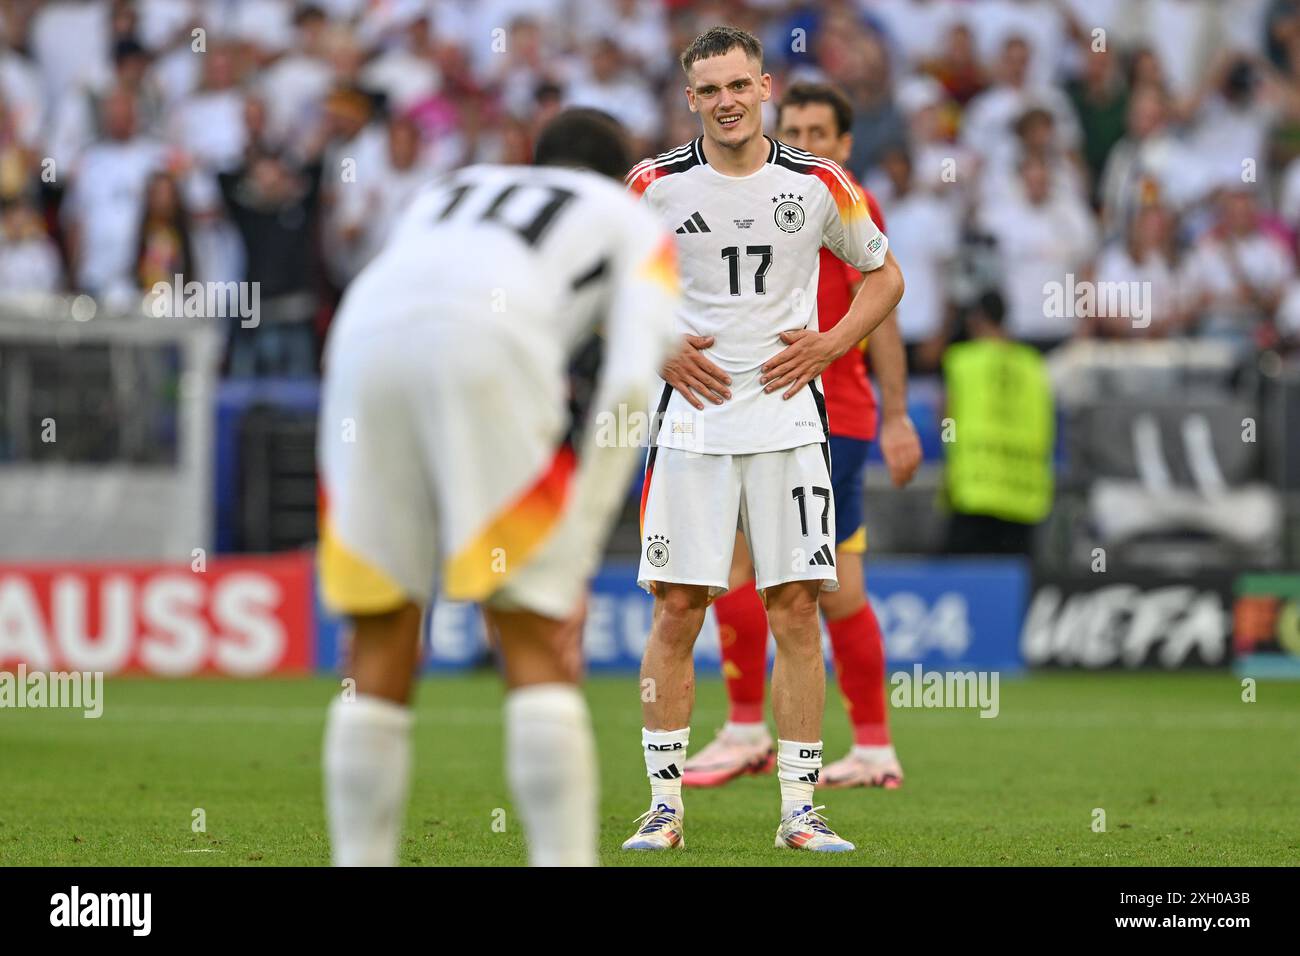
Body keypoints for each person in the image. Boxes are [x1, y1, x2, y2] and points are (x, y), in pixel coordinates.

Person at [317, 108, 678, 867]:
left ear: (531, 157)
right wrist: (577, 542)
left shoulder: (450, 187)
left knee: (380, 629)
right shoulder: (630, 219)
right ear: (621, 177)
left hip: (359, 342)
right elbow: (629, 386)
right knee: (531, 629)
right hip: (492, 344)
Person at [622, 27, 903, 853]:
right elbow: (599, 282)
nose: (726, 102)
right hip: (692, 423)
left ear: (765, 86)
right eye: (709, 91)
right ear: (690, 99)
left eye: (738, 85)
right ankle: (664, 809)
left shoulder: (820, 183)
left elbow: (885, 276)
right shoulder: (650, 185)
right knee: (678, 608)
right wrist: (657, 345)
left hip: (788, 422)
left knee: (795, 611)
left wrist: (830, 341)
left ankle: (799, 812)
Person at [682, 82, 922, 793]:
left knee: (752, 573)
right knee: (836, 588)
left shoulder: (840, 198)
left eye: (822, 131)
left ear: (846, 144)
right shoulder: (755, 191)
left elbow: (885, 305)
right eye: (797, 129)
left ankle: (750, 728)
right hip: (767, 407)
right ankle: (869, 748)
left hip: (825, 415)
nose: (809, 142)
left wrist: (900, 413)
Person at [941, 292, 1054, 556]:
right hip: (1025, 492)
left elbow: (945, 419)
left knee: (965, 583)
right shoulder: (1034, 364)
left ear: (977, 319)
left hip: (975, 488)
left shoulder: (961, 361)